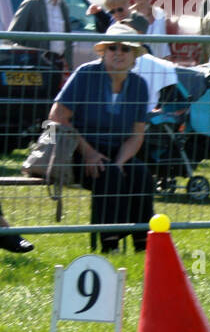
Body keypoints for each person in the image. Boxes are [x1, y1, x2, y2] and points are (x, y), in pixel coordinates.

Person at [49, 22, 153, 252]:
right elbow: (57, 117)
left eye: (125, 49)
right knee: (108, 175)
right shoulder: (85, 74)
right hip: (78, 152)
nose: (118, 53)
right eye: (112, 48)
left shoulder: (139, 85)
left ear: (134, 55)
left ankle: (144, 245)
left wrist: (119, 162)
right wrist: (88, 152)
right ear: (104, 51)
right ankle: (110, 244)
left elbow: (137, 135)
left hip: (118, 151)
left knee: (141, 175)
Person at [8, 0, 71, 68]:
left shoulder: (63, 5)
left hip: (58, 62)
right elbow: (13, 34)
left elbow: (67, 37)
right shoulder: (32, 3)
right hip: (36, 64)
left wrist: (67, 61)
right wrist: (28, 56)